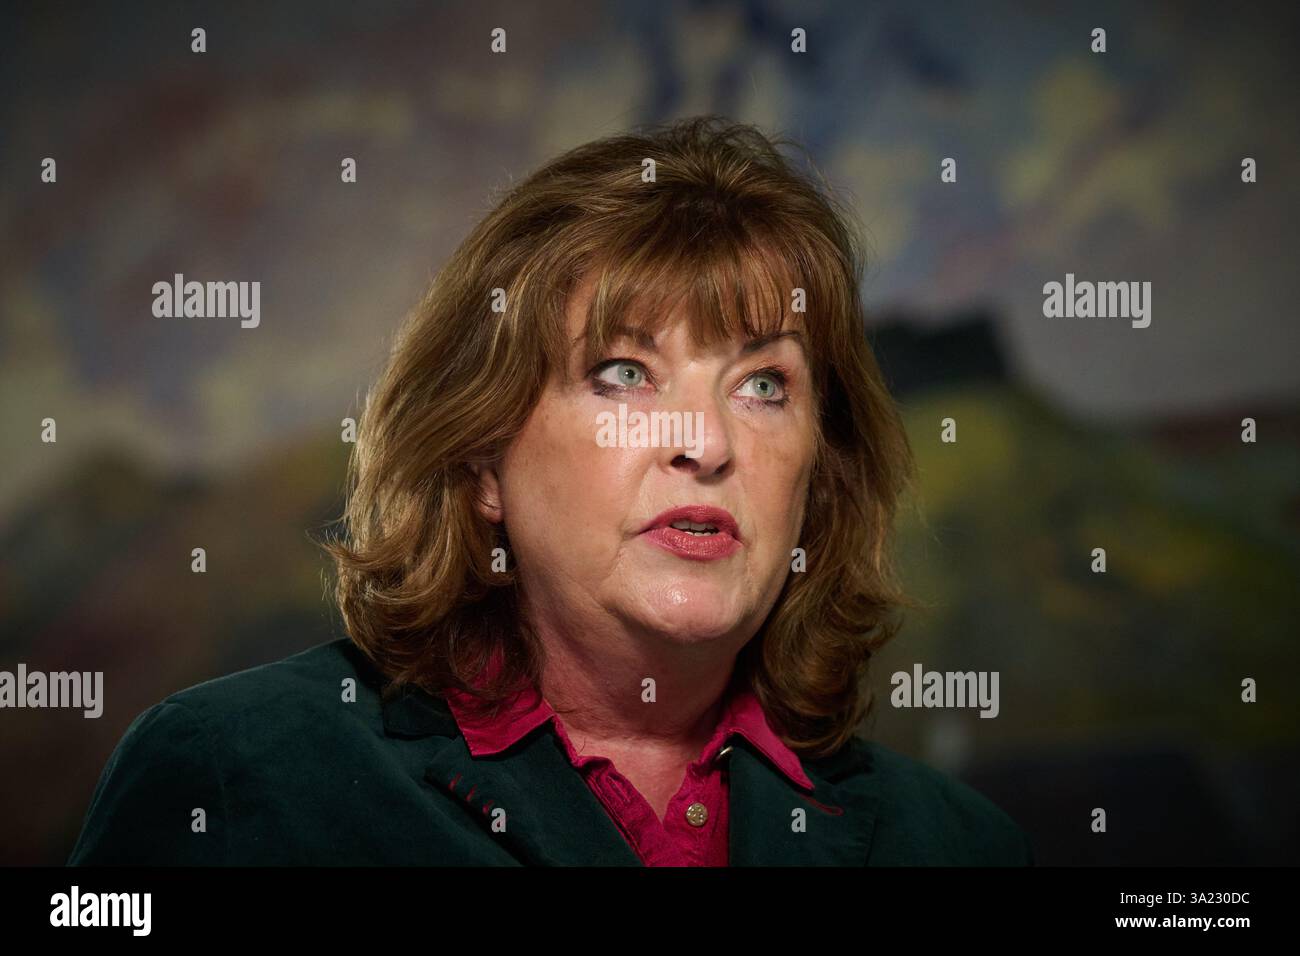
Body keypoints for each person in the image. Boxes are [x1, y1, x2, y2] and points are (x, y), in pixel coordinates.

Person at [68, 116, 1032, 866]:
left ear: (818, 480)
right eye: (623, 372)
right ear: (484, 460)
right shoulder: (240, 780)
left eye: (763, 384)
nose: (705, 442)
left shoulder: (960, 845)